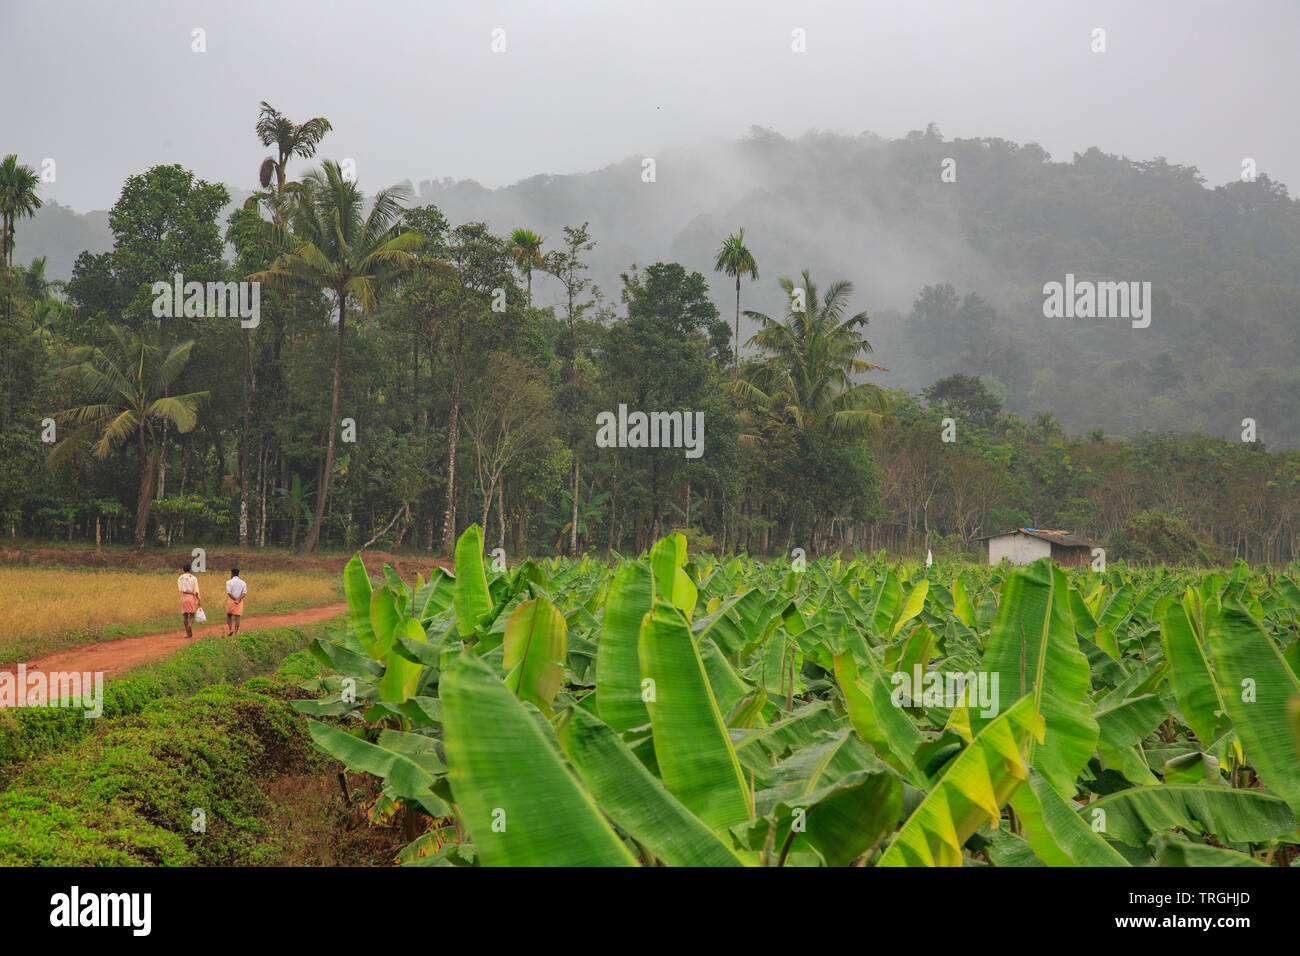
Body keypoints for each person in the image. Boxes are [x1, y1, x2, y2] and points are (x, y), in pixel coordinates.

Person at [178, 562, 202, 639]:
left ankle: (188, 633)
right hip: (191, 597)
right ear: (190, 569)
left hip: (184, 597)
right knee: (192, 614)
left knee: (185, 615)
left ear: (183, 569)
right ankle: (190, 625)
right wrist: (199, 600)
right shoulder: (193, 578)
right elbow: (196, 591)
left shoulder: (180, 578)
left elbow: (180, 589)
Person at [226, 567, 248, 635]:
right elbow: (244, 593)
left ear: (232, 574)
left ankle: (230, 629)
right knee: (237, 616)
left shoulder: (228, 582)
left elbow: (229, 593)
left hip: (231, 600)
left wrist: (235, 599)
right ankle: (236, 631)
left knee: (229, 615)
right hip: (239, 601)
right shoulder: (243, 583)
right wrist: (238, 599)